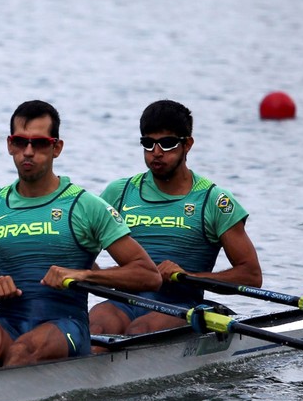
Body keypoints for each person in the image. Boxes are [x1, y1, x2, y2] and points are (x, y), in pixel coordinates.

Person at [0, 100, 161, 378]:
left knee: (24, 350)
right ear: (9, 145)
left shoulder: (86, 206)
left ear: (56, 148)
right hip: (9, 321)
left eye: (40, 144)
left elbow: (148, 275)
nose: (28, 152)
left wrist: (83, 275)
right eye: (20, 142)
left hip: (66, 326)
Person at [89, 99, 262, 338]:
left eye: (167, 143)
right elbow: (81, 251)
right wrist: (98, 273)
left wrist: (190, 277)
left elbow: (251, 275)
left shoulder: (214, 200)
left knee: (139, 331)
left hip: (181, 307)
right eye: (148, 144)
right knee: (95, 326)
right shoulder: (118, 193)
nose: (156, 153)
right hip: (125, 300)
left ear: (187, 144)